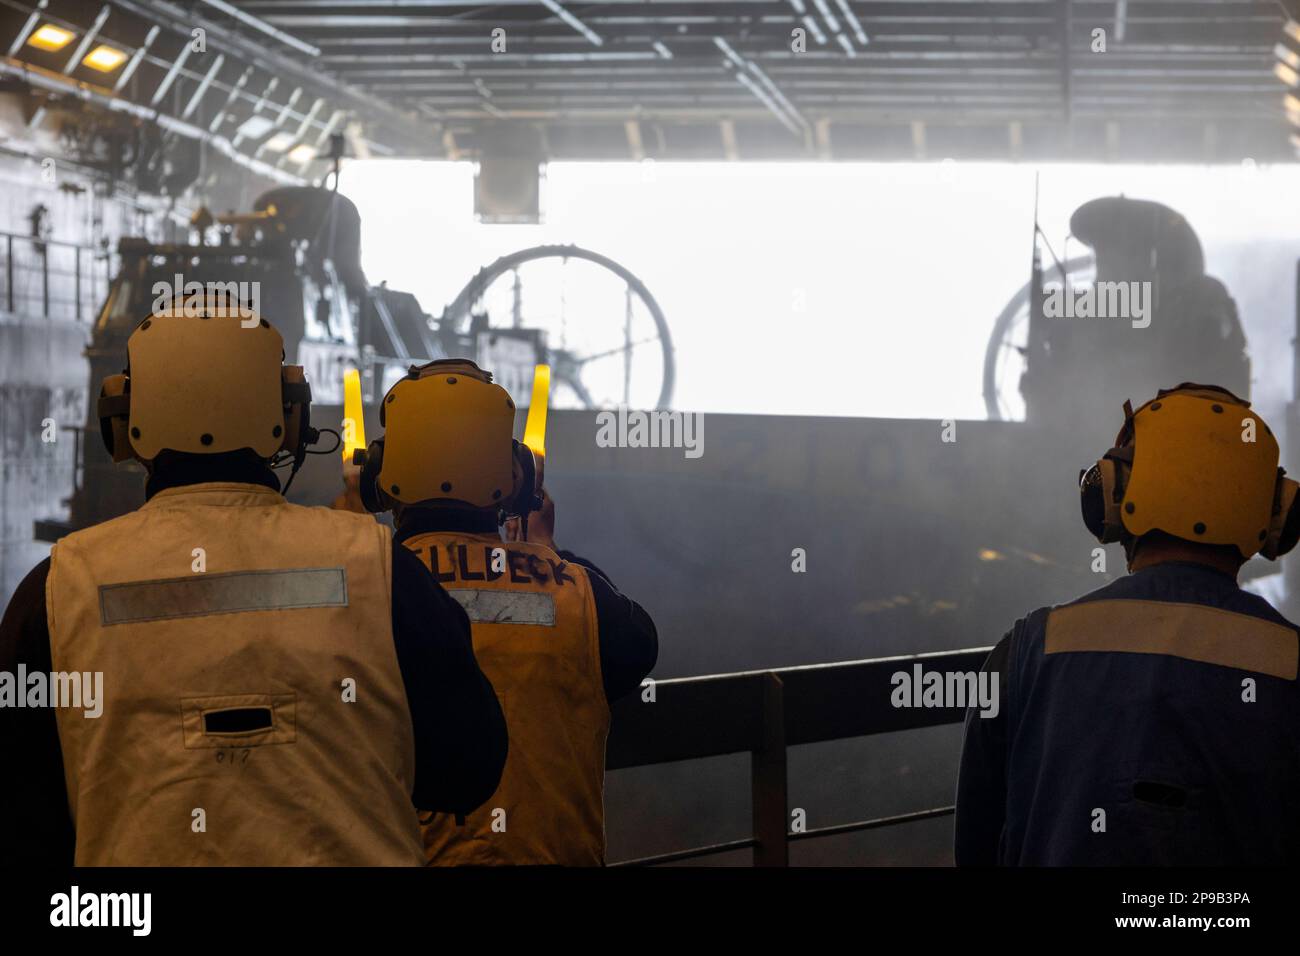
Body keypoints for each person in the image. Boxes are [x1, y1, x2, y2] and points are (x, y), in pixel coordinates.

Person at [0, 303, 507, 866]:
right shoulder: (379, 566)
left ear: (121, 424)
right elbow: (469, 767)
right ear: (290, 416)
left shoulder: (57, 588)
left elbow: (23, 813)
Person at [956, 382, 1300, 866]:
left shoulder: (1028, 653)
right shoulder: (1290, 662)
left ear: (1112, 496)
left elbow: (978, 844)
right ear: (1276, 514)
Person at [355, 358, 658, 865]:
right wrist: (549, 550)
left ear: (381, 477)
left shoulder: (363, 586)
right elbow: (639, 646)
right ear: (514, 478)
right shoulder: (578, 595)